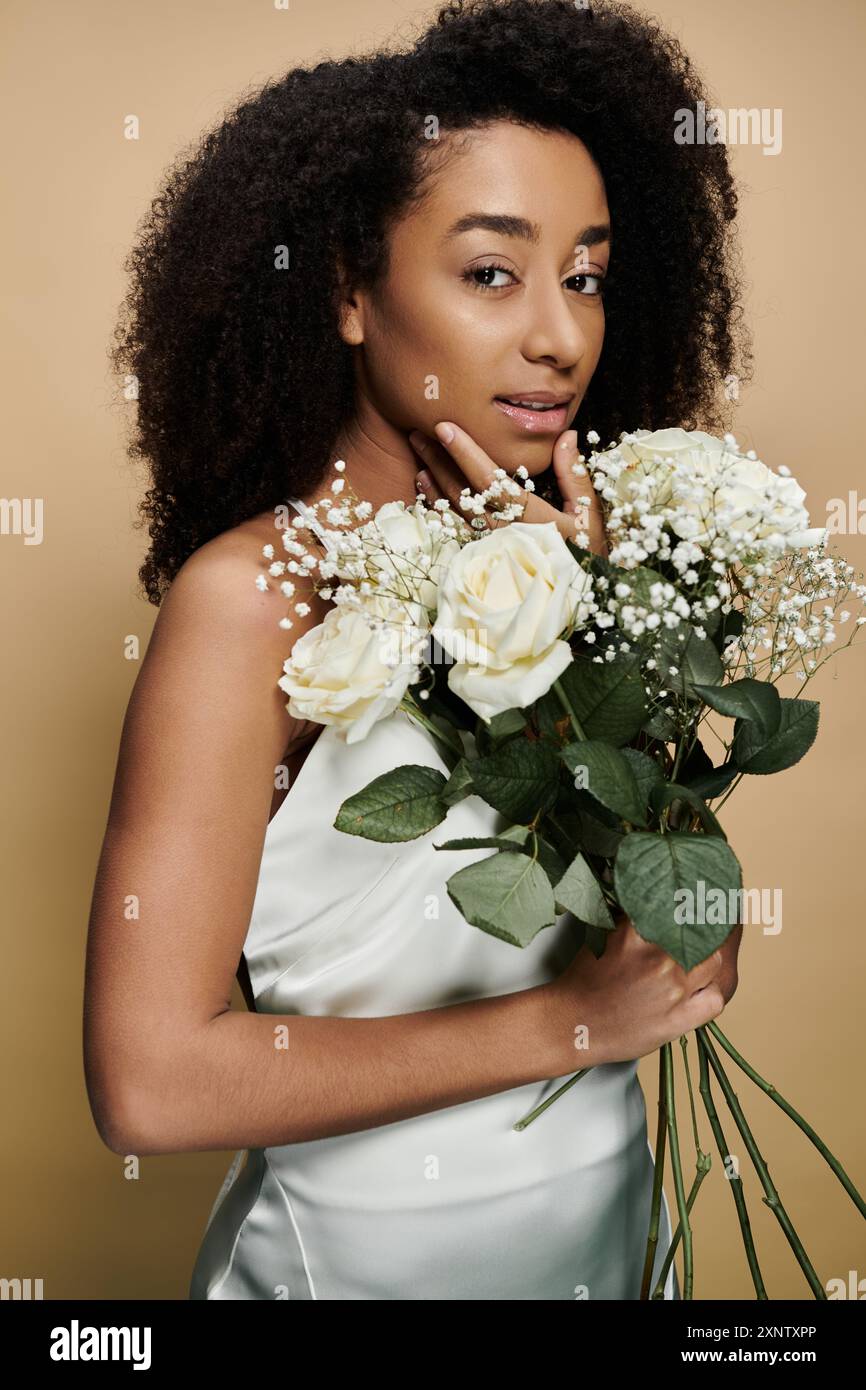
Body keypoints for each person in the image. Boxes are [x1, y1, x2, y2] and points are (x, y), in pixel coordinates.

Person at [84, 0, 746, 1300]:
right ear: (345, 289)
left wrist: (607, 636)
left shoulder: (567, 558)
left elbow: (650, 933)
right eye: (491, 271)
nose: (558, 334)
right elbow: (148, 1080)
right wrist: (577, 1024)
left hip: (605, 1243)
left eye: (586, 273)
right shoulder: (249, 599)